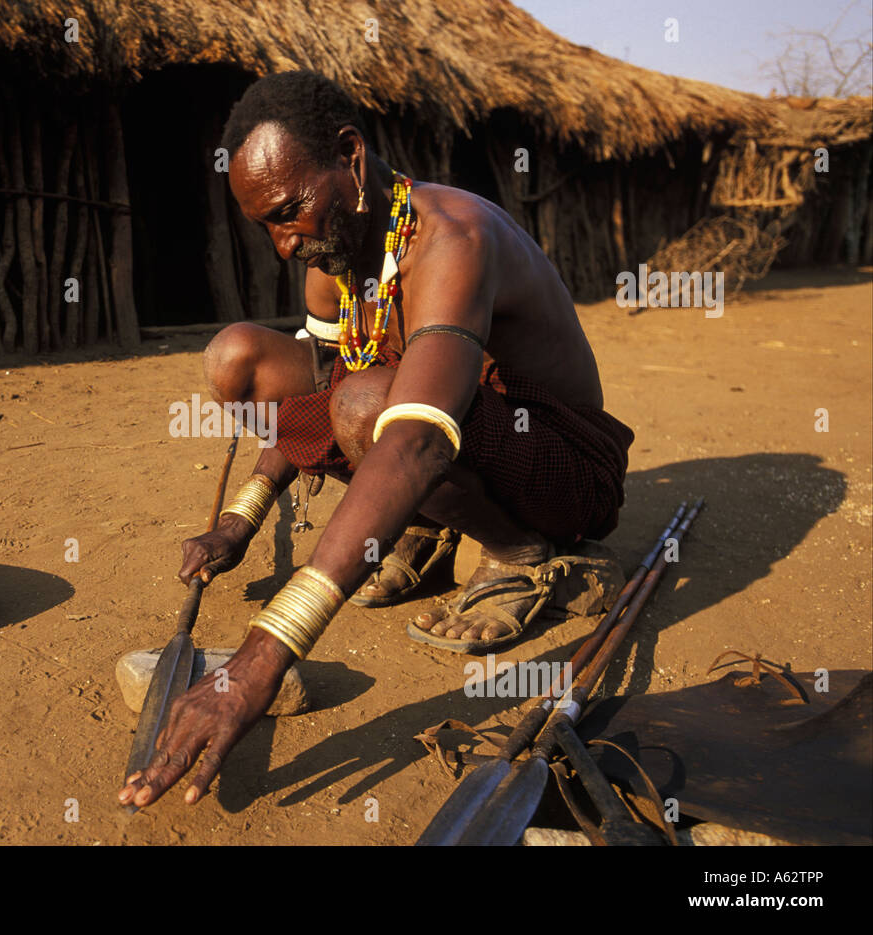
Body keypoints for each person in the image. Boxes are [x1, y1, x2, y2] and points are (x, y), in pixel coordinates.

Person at [119, 71, 633, 810]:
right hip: (448, 432)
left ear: (351, 158)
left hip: (563, 466)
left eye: (291, 211)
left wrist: (266, 651)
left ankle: (522, 554)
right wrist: (243, 516)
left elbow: (416, 437)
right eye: (266, 224)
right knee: (241, 356)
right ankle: (427, 526)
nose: (285, 242)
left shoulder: (451, 237)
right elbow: (312, 398)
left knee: (368, 404)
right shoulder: (336, 261)